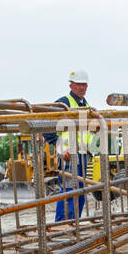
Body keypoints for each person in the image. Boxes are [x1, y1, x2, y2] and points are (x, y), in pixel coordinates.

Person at [45, 69, 93, 221]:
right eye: (78, 84)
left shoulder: (86, 105)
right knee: (70, 190)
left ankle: (74, 224)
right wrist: (60, 148)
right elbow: (46, 128)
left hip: (83, 154)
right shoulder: (63, 103)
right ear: (71, 85)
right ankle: (62, 225)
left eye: (84, 84)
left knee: (81, 191)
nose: (82, 87)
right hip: (69, 155)